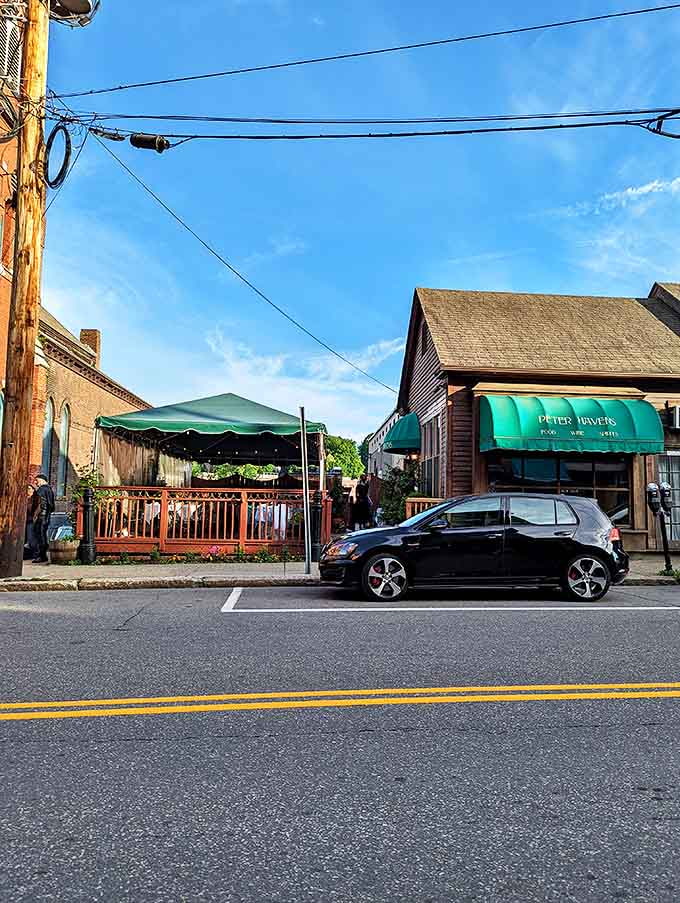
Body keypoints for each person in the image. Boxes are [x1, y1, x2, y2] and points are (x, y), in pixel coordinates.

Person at [32, 473, 55, 563]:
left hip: (41, 516)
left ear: (42, 480)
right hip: (46, 516)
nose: (35, 483)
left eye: (36, 480)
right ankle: (42, 555)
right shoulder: (49, 489)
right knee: (43, 535)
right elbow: (51, 506)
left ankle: (41, 556)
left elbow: (40, 504)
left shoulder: (42, 489)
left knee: (39, 536)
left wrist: (35, 515)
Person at [25, 484, 38, 560]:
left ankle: (35, 554)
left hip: (31, 521)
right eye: (27, 489)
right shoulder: (25, 498)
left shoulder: (35, 499)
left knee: (32, 539)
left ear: (33, 490)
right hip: (25, 521)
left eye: (29, 489)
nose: (28, 490)